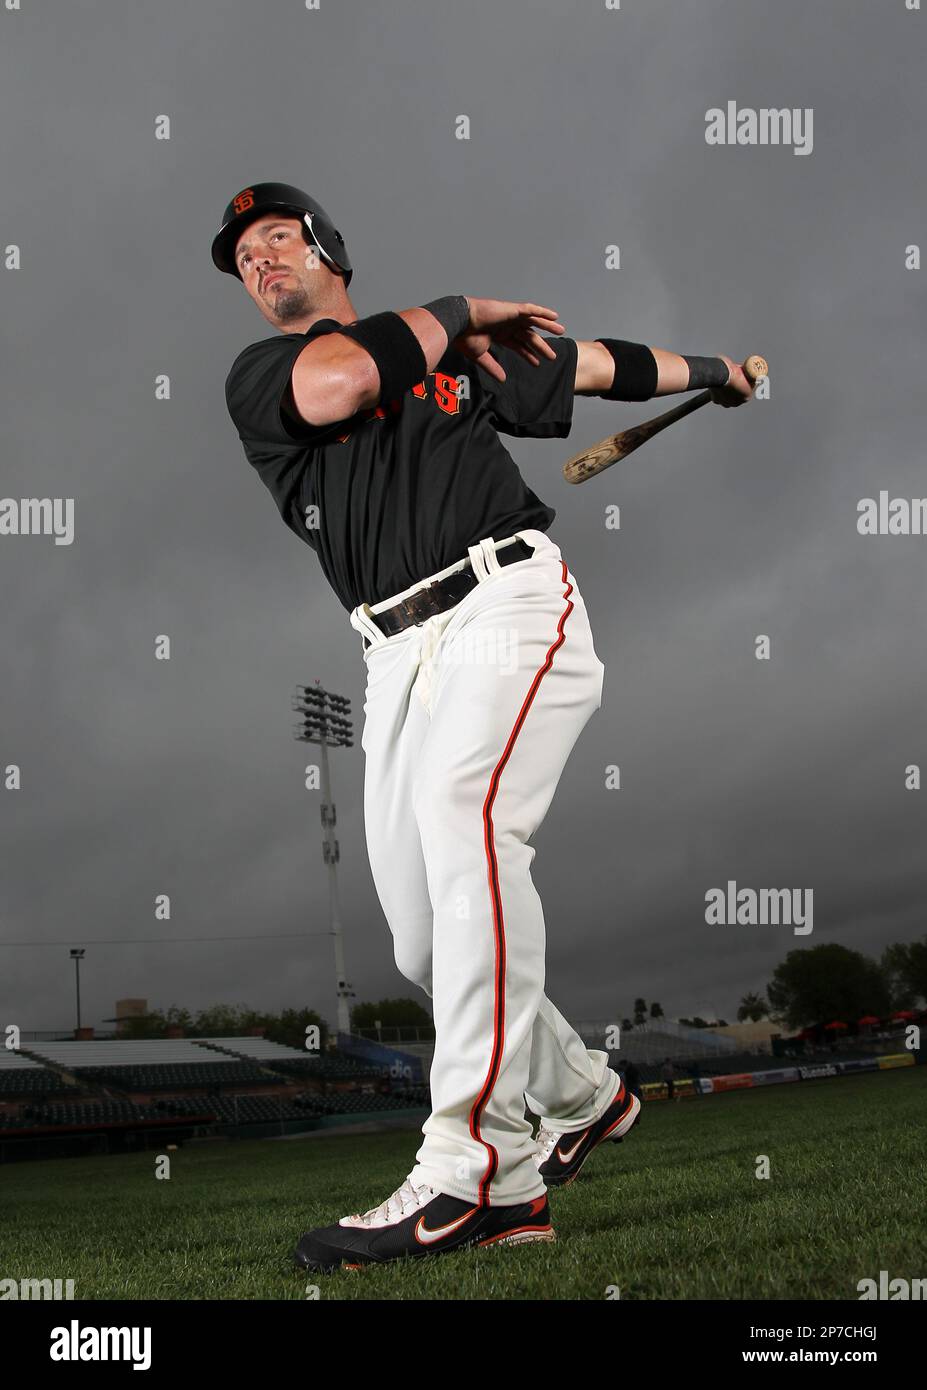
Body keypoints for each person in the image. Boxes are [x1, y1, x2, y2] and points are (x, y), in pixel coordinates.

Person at [212, 182, 753, 1271]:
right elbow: (344, 381)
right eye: (244, 258)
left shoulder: (453, 360)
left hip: (504, 598)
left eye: (279, 238)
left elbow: (595, 364)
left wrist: (715, 372)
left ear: (328, 244)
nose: (262, 261)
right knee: (422, 937)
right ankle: (583, 1095)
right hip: (394, 656)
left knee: (470, 823)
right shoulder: (269, 374)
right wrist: (457, 306)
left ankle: (476, 1172)